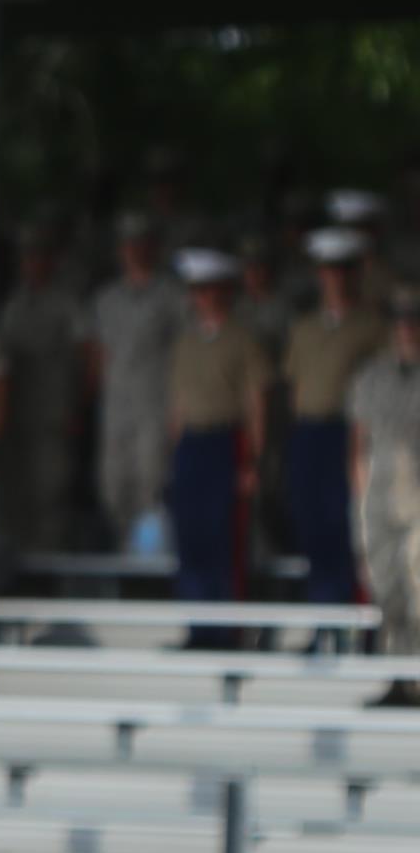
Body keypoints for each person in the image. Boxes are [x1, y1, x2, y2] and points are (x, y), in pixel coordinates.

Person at [162, 253, 269, 604]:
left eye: (209, 290)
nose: (202, 299)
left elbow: (256, 403)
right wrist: (174, 452)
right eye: (197, 290)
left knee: (224, 536)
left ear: (224, 292)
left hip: (226, 441)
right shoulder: (186, 343)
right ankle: (197, 625)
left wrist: (252, 460)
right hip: (191, 443)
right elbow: (178, 403)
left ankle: (226, 626)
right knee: (190, 535)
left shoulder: (242, 340)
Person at [278, 229, 375, 607]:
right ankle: (323, 619)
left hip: (349, 433)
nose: (335, 278)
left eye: (343, 269)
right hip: (308, 433)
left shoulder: (372, 327)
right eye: (328, 269)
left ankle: (351, 621)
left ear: (355, 273)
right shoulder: (305, 328)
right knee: (311, 527)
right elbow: (293, 387)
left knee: (347, 529)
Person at [87, 221, 186, 555]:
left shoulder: (172, 296)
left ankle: (149, 568)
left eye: (142, 243)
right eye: (129, 244)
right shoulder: (106, 299)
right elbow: (99, 356)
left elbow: (185, 354)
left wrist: (178, 410)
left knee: (152, 484)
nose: (135, 251)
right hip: (117, 410)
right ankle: (124, 557)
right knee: (112, 486)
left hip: (155, 407)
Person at [0, 227, 87, 563]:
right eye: (28, 257)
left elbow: (86, 354)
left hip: (53, 414)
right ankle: (18, 566)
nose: (33, 263)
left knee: (51, 491)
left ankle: (49, 568)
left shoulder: (66, 303)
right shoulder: (13, 305)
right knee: (15, 495)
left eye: (39, 256)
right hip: (17, 417)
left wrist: (79, 406)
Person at [351, 290, 420, 658]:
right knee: (385, 589)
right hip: (378, 495)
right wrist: (359, 499)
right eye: (400, 320)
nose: (407, 328)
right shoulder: (372, 376)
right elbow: (359, 444)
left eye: (413, 319)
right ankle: (398, 678)